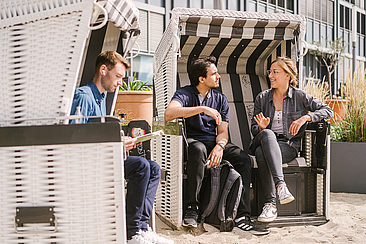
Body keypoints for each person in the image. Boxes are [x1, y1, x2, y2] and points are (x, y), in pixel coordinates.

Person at [70, 51, 173, 244]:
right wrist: (115, 144)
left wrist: (118, 141)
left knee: (154, 168)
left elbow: (98, 134)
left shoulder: (100, 99)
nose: (120, 82)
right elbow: (75, 137)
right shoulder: (84, 96)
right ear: (103, 70)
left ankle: (142, 227)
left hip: (103, 158)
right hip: (90, 164)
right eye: (118, 76)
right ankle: (133, 232)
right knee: (141, 167)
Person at [164, 56, 269, 235]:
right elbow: (169, 113)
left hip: (213, 142)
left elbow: (223, 132)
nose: (219, 76)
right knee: (197, 150)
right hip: (193, 142)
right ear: (201, 79)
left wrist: (220, 146)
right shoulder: (185, 93)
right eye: (214, 74)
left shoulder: (220, 99)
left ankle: (242, 215)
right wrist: (202, 108)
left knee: (242, 158)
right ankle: (192, 208)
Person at [251, 56, 333, 223]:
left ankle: (270, 205)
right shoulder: (262, 98)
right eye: (270, 72)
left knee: (261, 153)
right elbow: (254, 130)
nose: (270, 76)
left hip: (287, 146)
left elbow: (328, 110)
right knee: (267, 135)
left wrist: (306, 118)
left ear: (287, 75)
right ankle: (281, 186)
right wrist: (261, 127)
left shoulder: (300, 96)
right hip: (263, 138)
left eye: (275, 72)